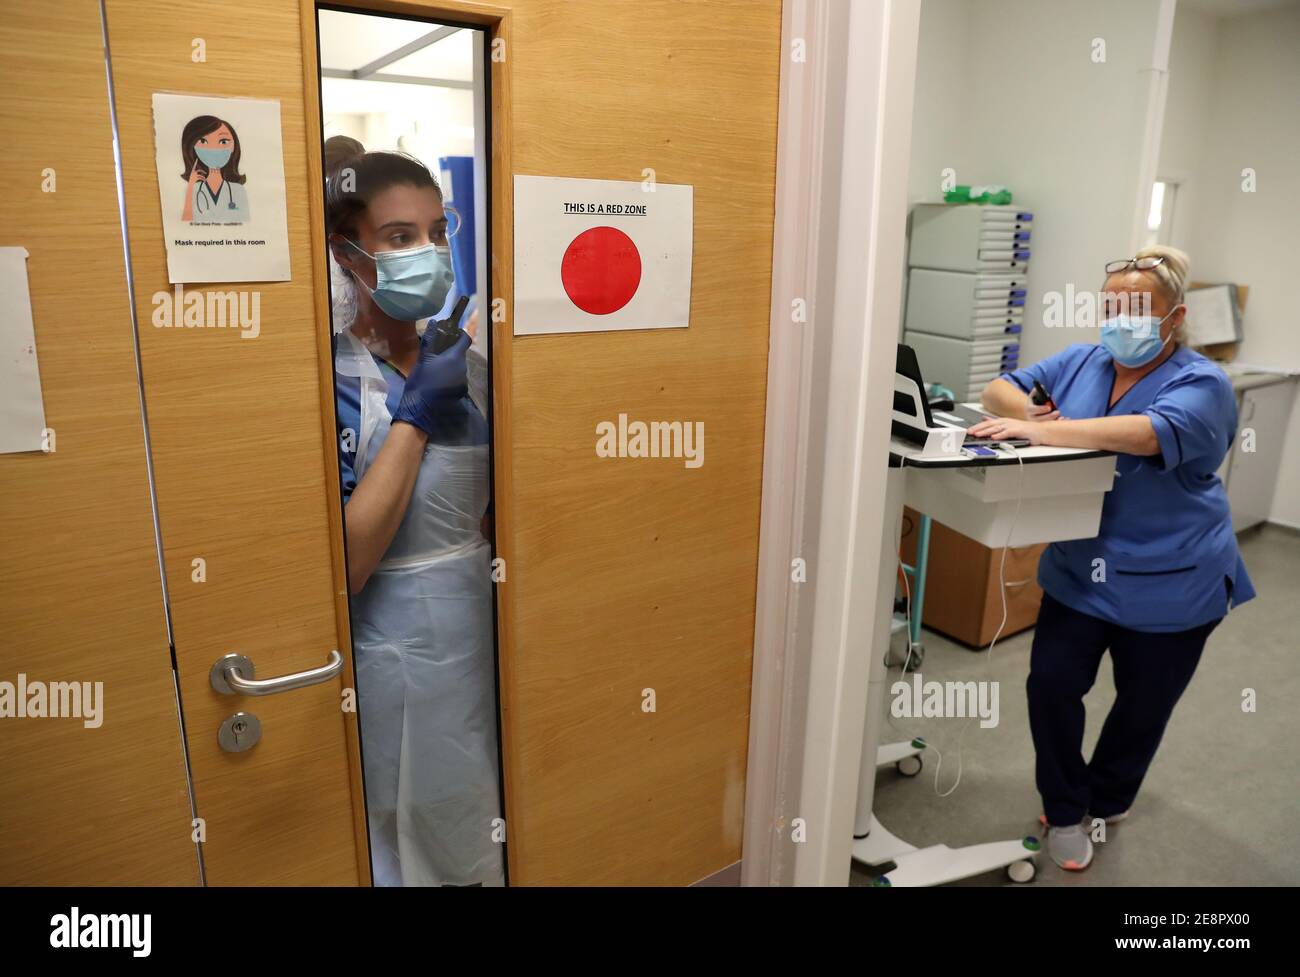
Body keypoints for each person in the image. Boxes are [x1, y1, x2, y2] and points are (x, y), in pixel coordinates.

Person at [972, 245, 1254, 871]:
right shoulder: (1084, 360)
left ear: (1174, 318)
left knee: (1141, 705)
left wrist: (1047, 430)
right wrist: (1030, 412)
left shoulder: (1201, 382)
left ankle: (1108, 798)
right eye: (1111, 306)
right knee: (1050, 687)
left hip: (1173, 578)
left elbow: (1145, 433)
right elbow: (998, 390)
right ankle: (1065, 808)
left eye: (1137, 308)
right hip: (1081, 570)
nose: (1119, 318)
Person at [326, 150, 502, 886]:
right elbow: (349, 561)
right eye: (399, 237)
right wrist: (417, 416)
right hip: (395, 661)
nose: (426, 253)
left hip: (486, 646)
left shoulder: (475, 367)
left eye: (435, 231)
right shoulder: (328, 382)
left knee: (484, 829)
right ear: (349, 254)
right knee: (403, 841)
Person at [180, 116, 249, 223]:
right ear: (192, 147)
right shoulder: (193, 188)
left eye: (223, 141)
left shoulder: (238, 190)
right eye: (203, 141)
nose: (213, 148)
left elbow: (246, 227)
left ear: (233, 147)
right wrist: (190, 188)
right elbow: (185, 222)